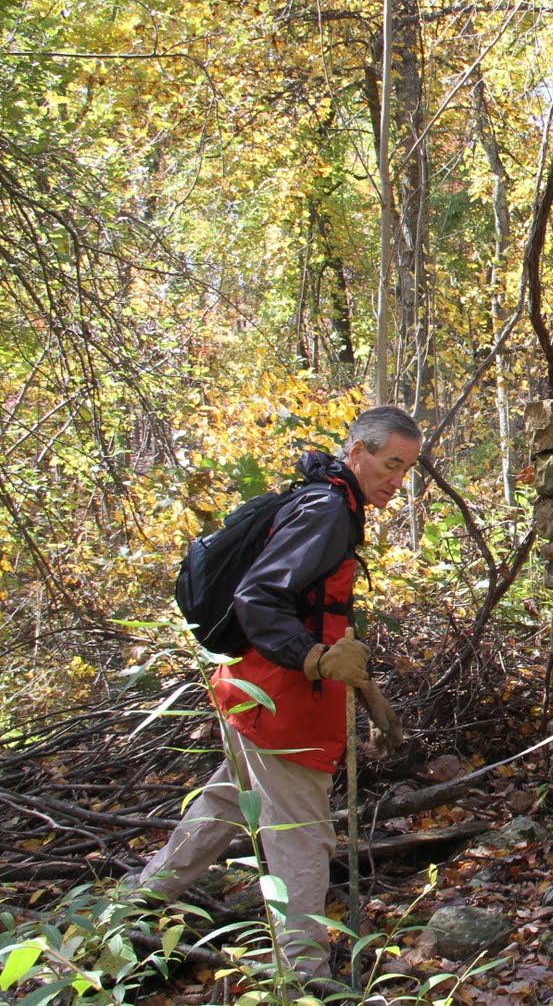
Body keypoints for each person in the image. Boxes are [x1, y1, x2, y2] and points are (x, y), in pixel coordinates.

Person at [135, 405, 421, 986]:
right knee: (301, 834)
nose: (397, 480)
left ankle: (132, 903)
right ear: (358, 452)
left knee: (224, 803)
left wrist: (366, 691)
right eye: (391, 464)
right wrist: (314, 660)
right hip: (282, 699)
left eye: (406, 469)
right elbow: (259, 597)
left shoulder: (330, 501)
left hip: (252, 687)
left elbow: (318, 611)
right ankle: (304, 975)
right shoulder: (325, 509)